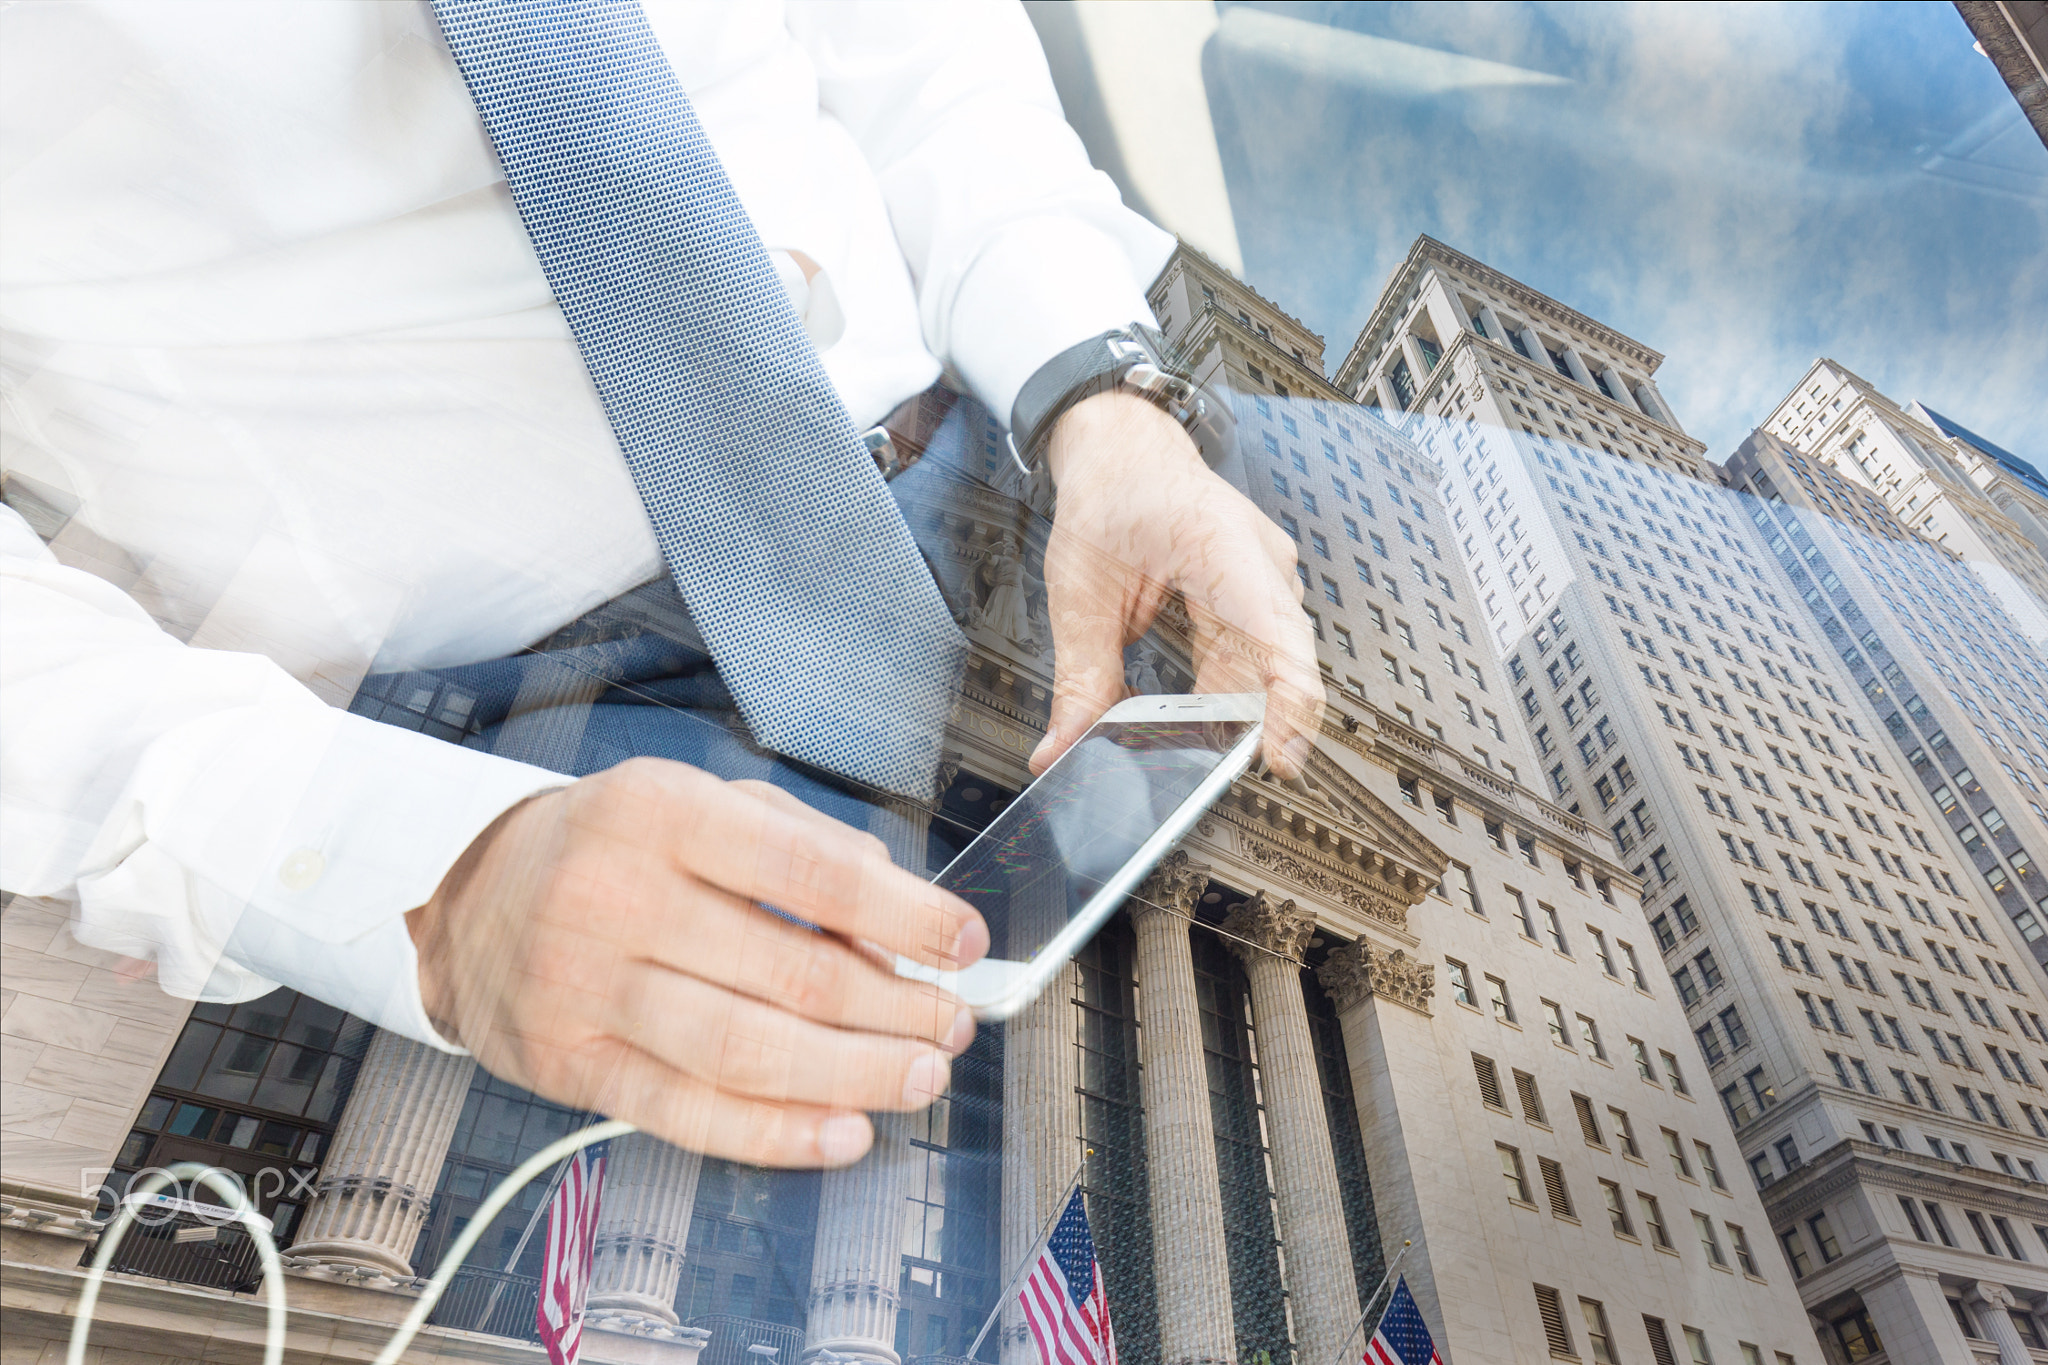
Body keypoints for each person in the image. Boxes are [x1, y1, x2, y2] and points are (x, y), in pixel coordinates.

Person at [0, 0, 1318, 1172]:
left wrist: (1100, 394)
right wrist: (415, 868)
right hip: (495, 732)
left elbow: (917, 43)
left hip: (990, 465)